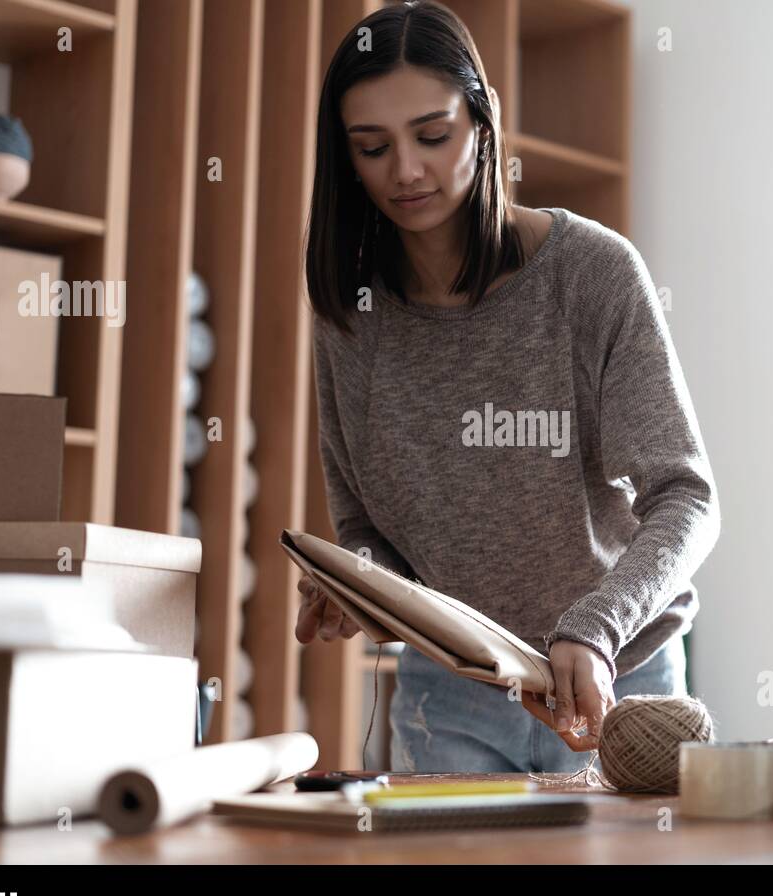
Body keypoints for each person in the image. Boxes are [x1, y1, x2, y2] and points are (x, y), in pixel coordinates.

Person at [295, 0, 720, 774]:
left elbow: (688, 496)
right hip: (449, 690)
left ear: (483, 124)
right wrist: (362, 587)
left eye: (433, 134)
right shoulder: (349, 313)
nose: (407, 170)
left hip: (617, 676)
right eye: (371, 146)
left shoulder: (593, 273)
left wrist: (596, 625)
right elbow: (364, 523)